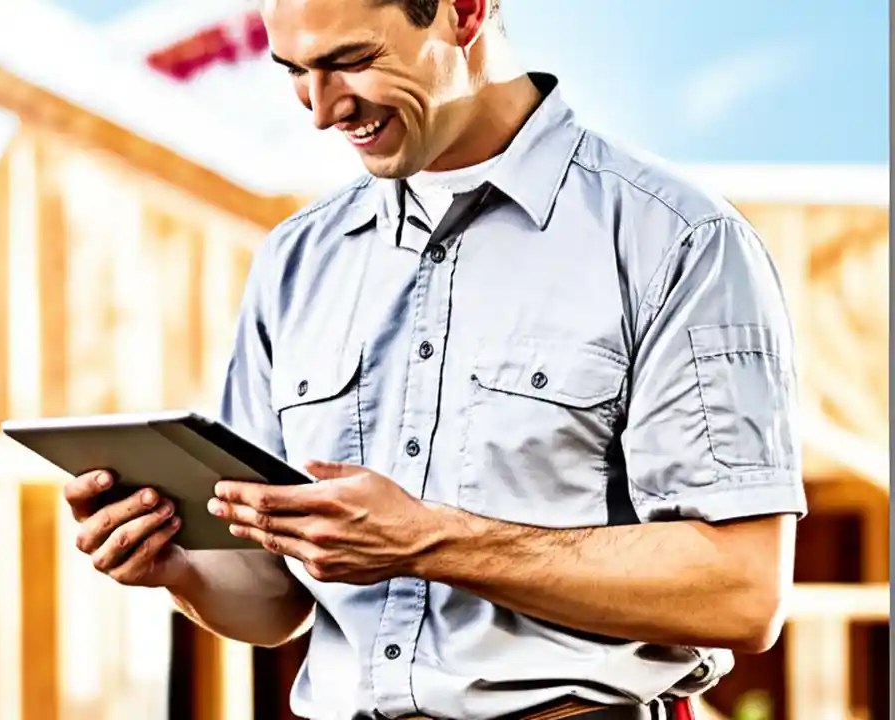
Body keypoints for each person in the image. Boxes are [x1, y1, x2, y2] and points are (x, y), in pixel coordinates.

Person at [61, 1, 805, 718]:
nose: (322, 109)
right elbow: (277, 606)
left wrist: (426, 541)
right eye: (294, 70)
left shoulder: (676, 240)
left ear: (467, 11)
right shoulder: (297, 260)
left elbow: (741, 592)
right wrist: (177, 569)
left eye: (352, 60)